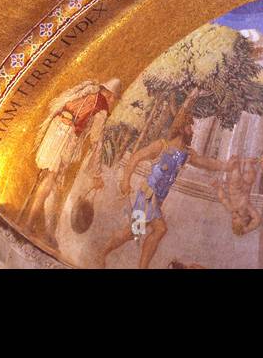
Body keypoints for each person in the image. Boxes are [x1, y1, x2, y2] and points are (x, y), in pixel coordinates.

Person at [97, 96, 230, 269]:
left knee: (133, 232)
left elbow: (205, 162)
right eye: (190, 127)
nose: (193, 131)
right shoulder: (162, 146)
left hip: (156, 201)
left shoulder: (186, 154)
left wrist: (226, 166)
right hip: (147, 196)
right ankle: (113, 256)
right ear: (182, 128)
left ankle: (106, 253)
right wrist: (125, 180)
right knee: (155, 230)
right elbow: (136, 157)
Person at [21, 78, 121, 232]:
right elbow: (96, 140)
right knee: (51, 179)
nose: (114, 102)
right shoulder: (101, 107)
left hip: (56, 130)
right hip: (66, 137)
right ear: (110, 96)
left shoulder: (88, 92)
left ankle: (48, 231)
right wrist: (96, 173)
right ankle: (29, 223)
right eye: (115, 99)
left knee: (53, 181)